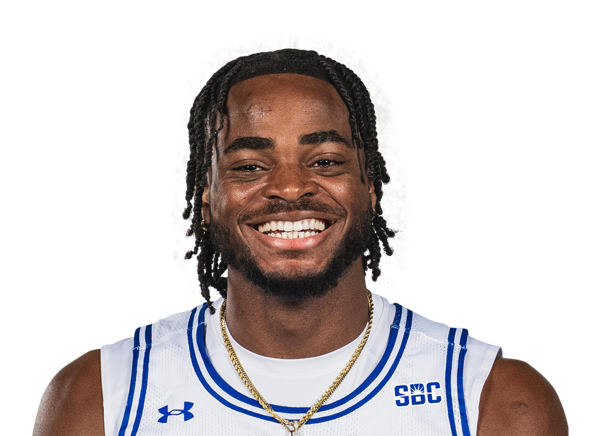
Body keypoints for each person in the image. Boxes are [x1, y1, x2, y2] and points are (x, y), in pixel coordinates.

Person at [33, 48, 567, 436]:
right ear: (206, 199)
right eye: (249, 166)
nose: (290, 188)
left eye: (326, 161)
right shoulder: (101, 399)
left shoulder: (491, 401)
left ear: (370, 189)